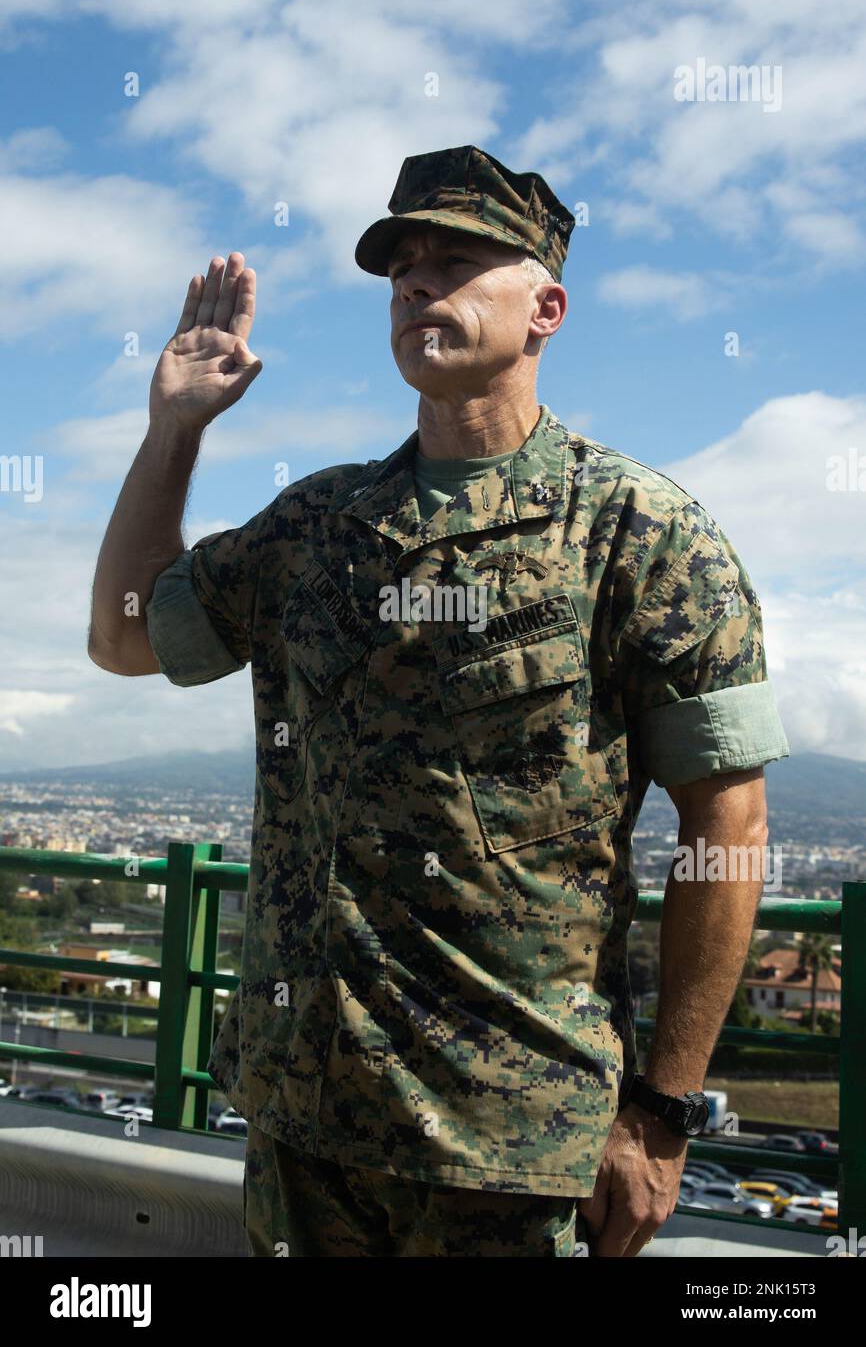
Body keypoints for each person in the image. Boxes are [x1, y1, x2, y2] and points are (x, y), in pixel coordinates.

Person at [88, 144, 789, 1257]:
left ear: (544, 306)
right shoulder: (315, 526)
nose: (416, 283)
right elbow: (125, 634)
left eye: (455, 261)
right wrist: (175, 428)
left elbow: (727, 827)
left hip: (510, 1143)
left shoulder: (639, 533)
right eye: (401, 267)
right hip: (304, 1120)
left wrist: (659, 1112)